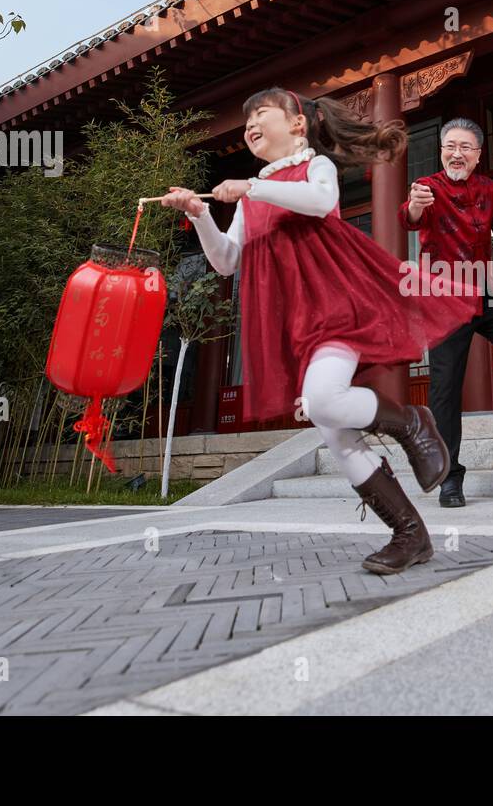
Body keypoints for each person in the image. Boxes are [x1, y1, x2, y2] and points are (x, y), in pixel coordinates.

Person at [161, 88, 477, 574]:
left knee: (325, 400)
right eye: (246, 120)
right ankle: (410, 535)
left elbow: (320, 201)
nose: (249, 124)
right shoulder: (253, 194)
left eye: (260, 113)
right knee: (335, 432)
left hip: (335, 307)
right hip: (293, 323)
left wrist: (251, 187)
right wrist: (199, 214)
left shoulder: (314, 168)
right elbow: (227, 261)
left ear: (297, 125)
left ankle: (412, 423)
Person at [400, 117, 493, 508]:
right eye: (450, 145)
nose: (456, 153)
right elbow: (409, 216)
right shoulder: (428, 187)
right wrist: (413, 206)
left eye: (465, 147)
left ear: (478, 155)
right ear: (442, 149)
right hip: (444, 298)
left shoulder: (488, 189)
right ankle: (449, 478)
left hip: (485, 289)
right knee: (445, 390)